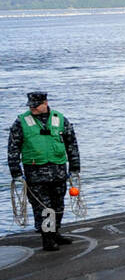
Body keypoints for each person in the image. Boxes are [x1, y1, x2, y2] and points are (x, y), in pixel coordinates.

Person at [8, 91, 81, 251]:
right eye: (31, 106)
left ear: (45, 103)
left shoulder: (60, 119)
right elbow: (13, 148)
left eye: (36, 106)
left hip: (59, 172)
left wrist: (75, 167)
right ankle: (47, 239)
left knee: (58, 205)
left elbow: (71, 144)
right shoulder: (21, 122)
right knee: (43, 208)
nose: (32, 109)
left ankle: (55, 234)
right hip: (35, 175)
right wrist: (16, 173)